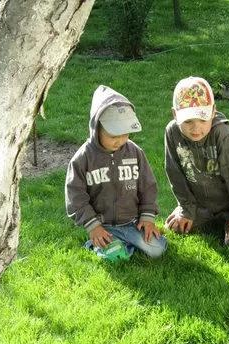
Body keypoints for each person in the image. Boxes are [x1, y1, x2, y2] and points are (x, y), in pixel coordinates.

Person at [65, 85, 167, 259]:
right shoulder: (83, 159)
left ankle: (124, 243)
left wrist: (148, 218)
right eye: (113, 135)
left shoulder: (135, 153)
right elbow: (76, 196)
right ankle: (103, 242)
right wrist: (93, 226)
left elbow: (148, 186)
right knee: (111, 257)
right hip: (103, 225)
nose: (120, 141)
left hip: (134, 223)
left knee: (157, 250)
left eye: (125, 134)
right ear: (96, 128)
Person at [164, 76, 229, 246]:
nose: (196, 128)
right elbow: (175, 173)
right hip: (203, 203)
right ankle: (199, 212)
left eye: (203, 119)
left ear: (213, 111)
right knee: (175, 228)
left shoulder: (224, 135)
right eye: (188, 121)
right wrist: (186, 209)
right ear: (175, 114)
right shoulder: (172, 132)